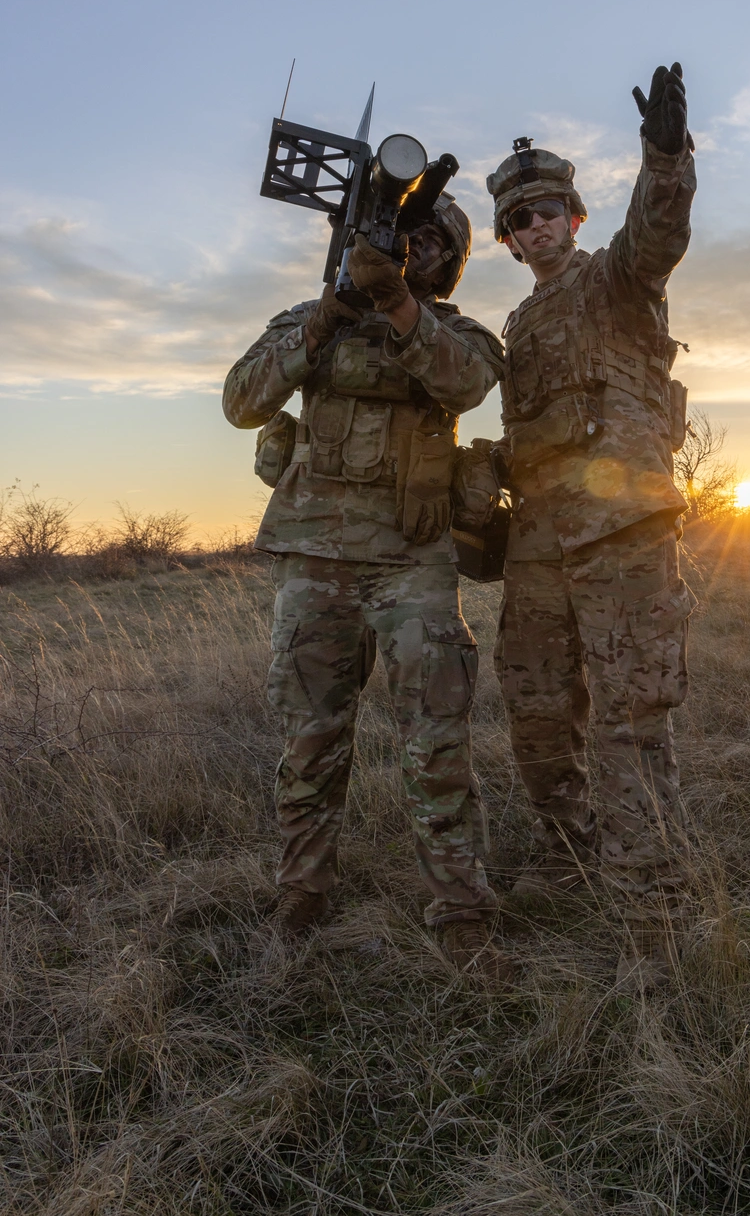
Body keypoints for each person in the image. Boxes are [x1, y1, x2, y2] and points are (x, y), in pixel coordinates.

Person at [223, 195, 511, 983]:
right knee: (310, 741)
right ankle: (301, 897)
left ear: (445, 261)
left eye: (426, 243)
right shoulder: (311, 315)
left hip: (413, 560)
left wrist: (397, 303)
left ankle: (461, 913)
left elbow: (469, 387)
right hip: (314, 556)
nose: (407, 250)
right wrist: (320, 325)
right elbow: (241, 400)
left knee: (435, 740)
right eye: (396, 239)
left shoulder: (457, 331)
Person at [486, 63, 697, 985]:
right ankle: (574, 850)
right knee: (535, 711)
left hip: (620, 532)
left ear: (575, 214)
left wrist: (664, 157)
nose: (536, 226)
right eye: (519, 219)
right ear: (507, 237)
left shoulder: (617, 276)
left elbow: (658, 235)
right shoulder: (518, 323)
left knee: (629, 722)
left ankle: (650, 922)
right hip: (538, 542)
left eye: (549, 211)